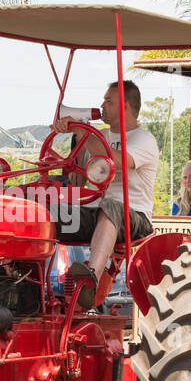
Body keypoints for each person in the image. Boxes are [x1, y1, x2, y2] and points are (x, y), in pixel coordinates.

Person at [50, 80, 159, 309]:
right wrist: (76, 138)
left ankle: (91, 276)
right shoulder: (96, 136)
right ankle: (29, 284)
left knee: (111, 206)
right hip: (96, 210)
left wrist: (83, 132)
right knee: (45, 211)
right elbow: (78, 180)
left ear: (126, 106)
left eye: (108, 101)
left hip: (134, 217)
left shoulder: (144, 139)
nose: (102, 105)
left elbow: (117, 161)